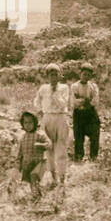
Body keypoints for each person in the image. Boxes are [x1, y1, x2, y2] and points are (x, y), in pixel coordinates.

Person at [34, 64, 70, 197]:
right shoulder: (43, 88)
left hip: (60, 117)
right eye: (50, 74)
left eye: (55, 74)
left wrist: (55, 92)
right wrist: (40, 111)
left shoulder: (64, 87)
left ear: (59, 75)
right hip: (47, 117)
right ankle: (53, 176)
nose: (53, 77)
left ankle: (62, 177)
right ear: (47, 76)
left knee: (61, 147)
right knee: (48, 148)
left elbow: (63, 103)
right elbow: (37, 101)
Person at [71, 63, 100, 162]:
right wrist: (84, 100)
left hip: (90, 113)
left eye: (88, 75)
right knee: (78, 136)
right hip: (79, 113)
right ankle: (79, 156)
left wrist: (85, 101)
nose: (86, 76)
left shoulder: (93, 86)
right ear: (80, 73)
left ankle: (93, 156)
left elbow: (95, 100)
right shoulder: (74, 86)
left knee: (95, 134)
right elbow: (73, 101)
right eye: (84, 74)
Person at [17, 111, 49, 202]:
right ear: (22, 124)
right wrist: (18, 164)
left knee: (34, 176)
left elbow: (49, 144)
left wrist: (42, 145)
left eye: (30, 122)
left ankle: (38, 196)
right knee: (31, 181)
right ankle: (36, 197)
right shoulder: (22, 137)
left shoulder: (40, 134)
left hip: (39, 162)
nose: (28, 125)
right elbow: (20, 153)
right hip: (27, 163)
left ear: (35, 122)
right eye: (25, 123)